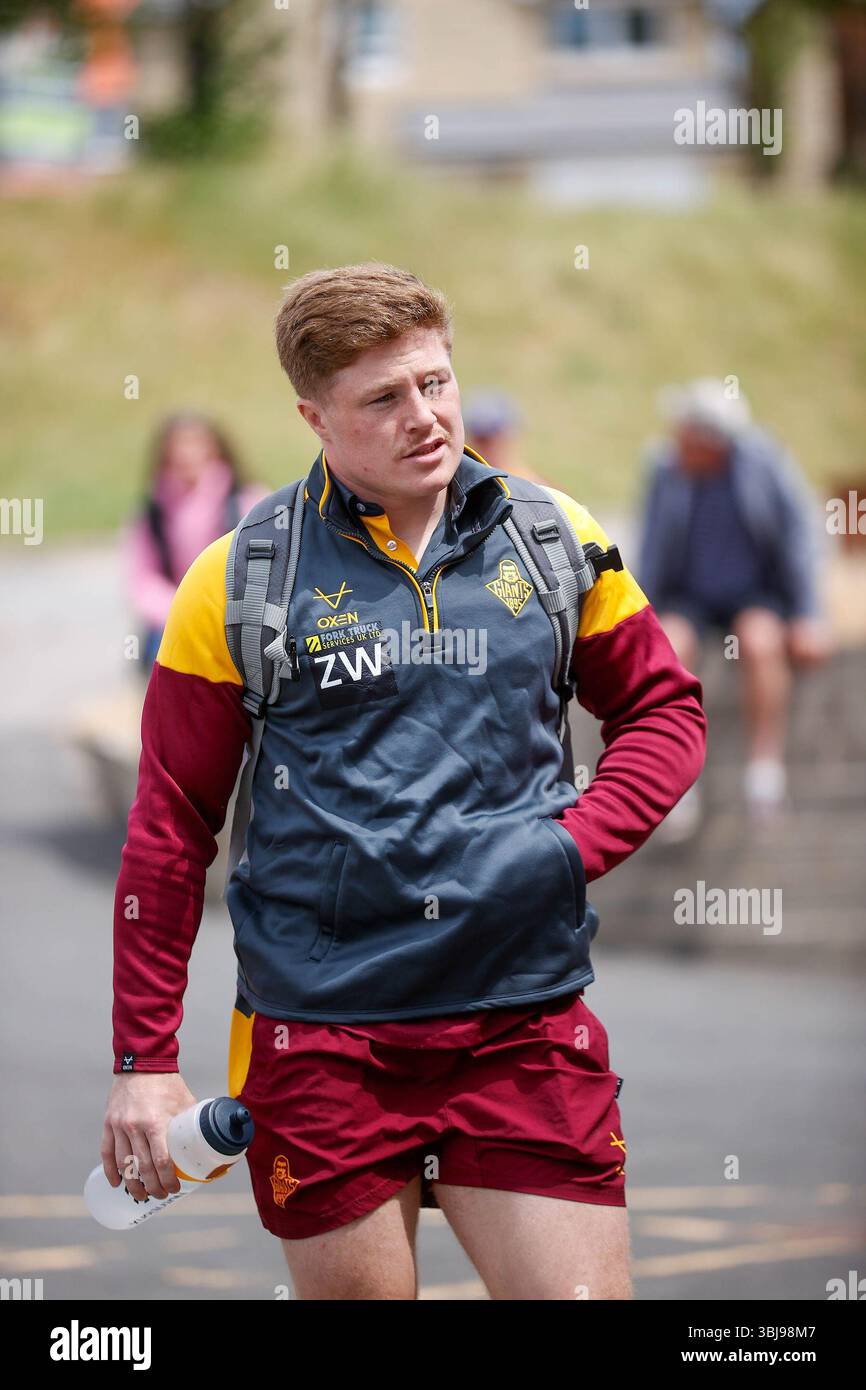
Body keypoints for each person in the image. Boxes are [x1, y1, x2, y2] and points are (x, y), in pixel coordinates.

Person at [102, 263, 706, 1300]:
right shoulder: (239, 578)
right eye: (383, 398)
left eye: (434, 381)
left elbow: (663, 709)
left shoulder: (553, 535)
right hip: (322, 1039)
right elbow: (169, 829)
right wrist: (143, 1059)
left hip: (521, 1022)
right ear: (314, 417)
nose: (425, 417)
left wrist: (571, 843)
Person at [637, 378, 832, 828]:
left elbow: (799, 539)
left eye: (684, 431)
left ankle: (764, 769)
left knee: (760, 642)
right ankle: (676, 778)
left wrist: (807, 614)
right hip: (688, 598)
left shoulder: (763, 463)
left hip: (754, 595)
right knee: (669, 646)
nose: (675, 438)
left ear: (711, 441)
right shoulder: (665, 469)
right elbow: (651, 548)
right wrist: (640, 617)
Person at [124, 411, 268, 677]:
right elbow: (143, 581)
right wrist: (183, 613)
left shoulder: (249, 501)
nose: (186, 454)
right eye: (178, 446)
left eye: (195, 444)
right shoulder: (153, 510)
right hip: (176, 619)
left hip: (238, 614)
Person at [463, 388, 550, 485]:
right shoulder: (464, 487)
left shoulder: (540, 490)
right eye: (480, 438)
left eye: (495, 435)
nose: (489, 447)